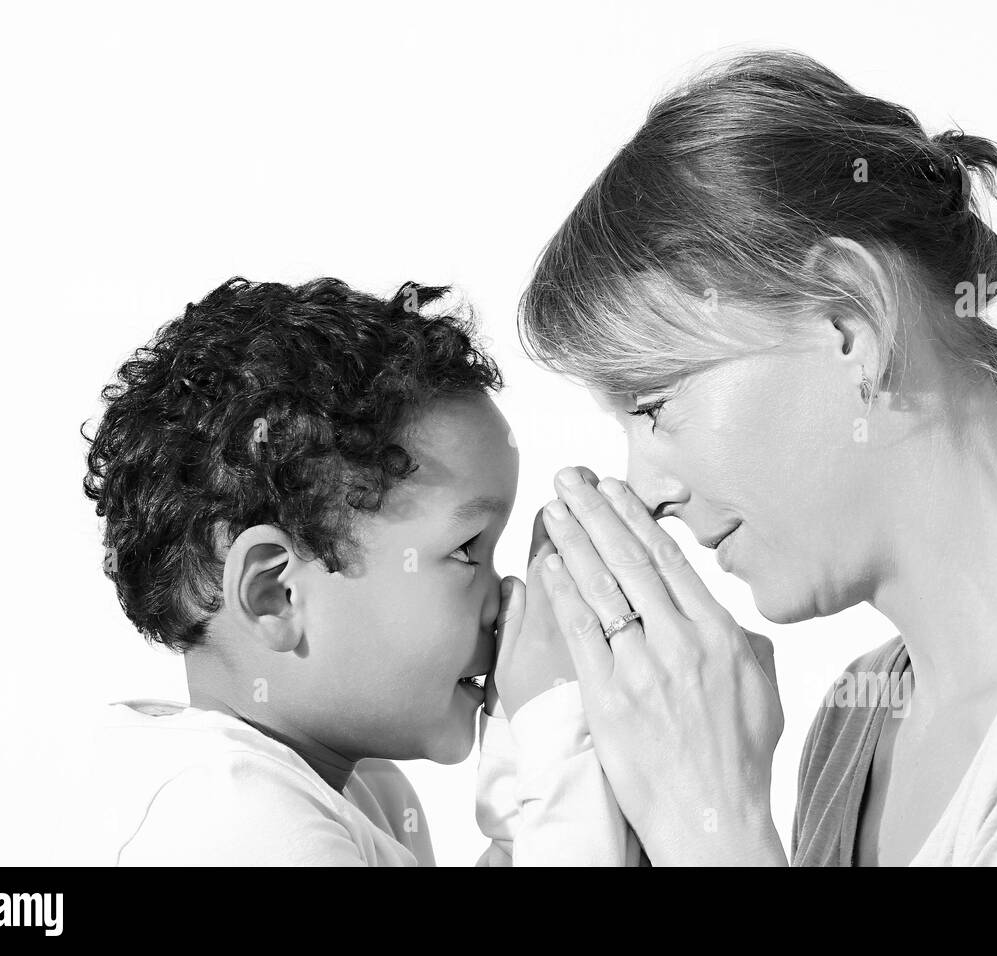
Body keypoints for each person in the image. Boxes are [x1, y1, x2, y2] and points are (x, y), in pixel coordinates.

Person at [516, 50, 997, 865]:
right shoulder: (857, 721)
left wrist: (705, 818)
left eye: (655, 405)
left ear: (852, 322)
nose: (647, 490)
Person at [59, 276, 638, 866]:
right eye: (467, 550)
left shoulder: (365, 792)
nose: (507, 597)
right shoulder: (236, 820)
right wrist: (560, 727)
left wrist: (531, 749)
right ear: (275, 595)